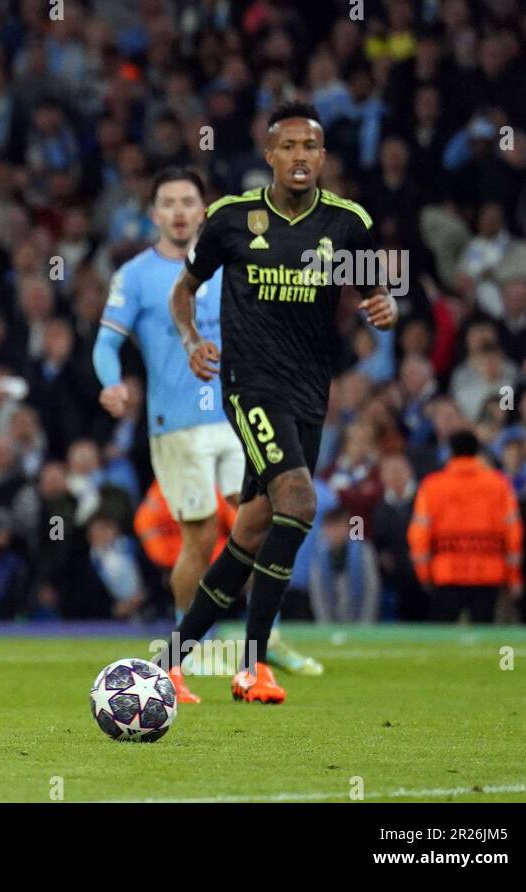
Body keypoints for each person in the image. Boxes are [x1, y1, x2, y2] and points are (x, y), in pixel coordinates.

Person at [153, 101, 396, 704]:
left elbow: (377, 293)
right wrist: (190, 339)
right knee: (301, 501)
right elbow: (183, 292)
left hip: (311, 393)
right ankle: (253, 665)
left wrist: (383, 307)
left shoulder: (348, 223)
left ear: (322, 157)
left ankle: (173, 661)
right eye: (287, 147)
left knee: (255, 528)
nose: (299, 158)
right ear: (269, 157)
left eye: (309, 147)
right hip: (250, 386)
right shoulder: (232, 219)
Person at [95, 168, 322, 699]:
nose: (178, 211)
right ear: (154, 214)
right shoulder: (135, 275)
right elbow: (107, 343)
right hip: (174, 426)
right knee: (198, 536)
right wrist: (111, 385)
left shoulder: (232, 265)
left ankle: (265, 639)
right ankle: (187, 648)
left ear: (204, 211)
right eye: (168, 202)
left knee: (256, 522)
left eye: (188, 202)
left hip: (235, 414)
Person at [407, 430, 523, 623]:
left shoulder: (432, 486)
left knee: (441, 637)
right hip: (489, 573)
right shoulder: (499, 484)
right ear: (477, 452)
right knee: (484, 637)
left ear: (450, 452)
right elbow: (513, 534)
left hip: (446, 572)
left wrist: (424, 573)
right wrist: (513, 577)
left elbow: (419, 535)